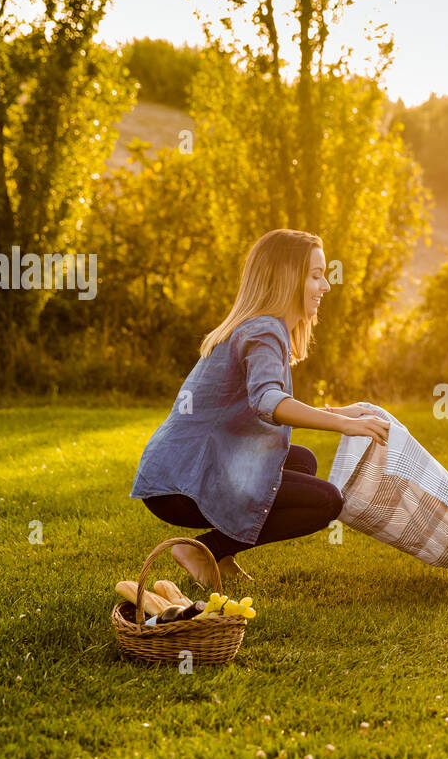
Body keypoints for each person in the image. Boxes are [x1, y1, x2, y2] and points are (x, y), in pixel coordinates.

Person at [130, 228, 389, 588]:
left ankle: (221, 555)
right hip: (181, 485)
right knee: (325, 501)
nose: (326, 286)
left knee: (300, 462)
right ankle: (203, 550)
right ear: (288, 278)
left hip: (178, 472)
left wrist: (339, 413)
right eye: (316, 275)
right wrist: (343, 427)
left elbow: (265, 406)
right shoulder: (265, 331)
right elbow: (269, 402)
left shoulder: (261, 329)